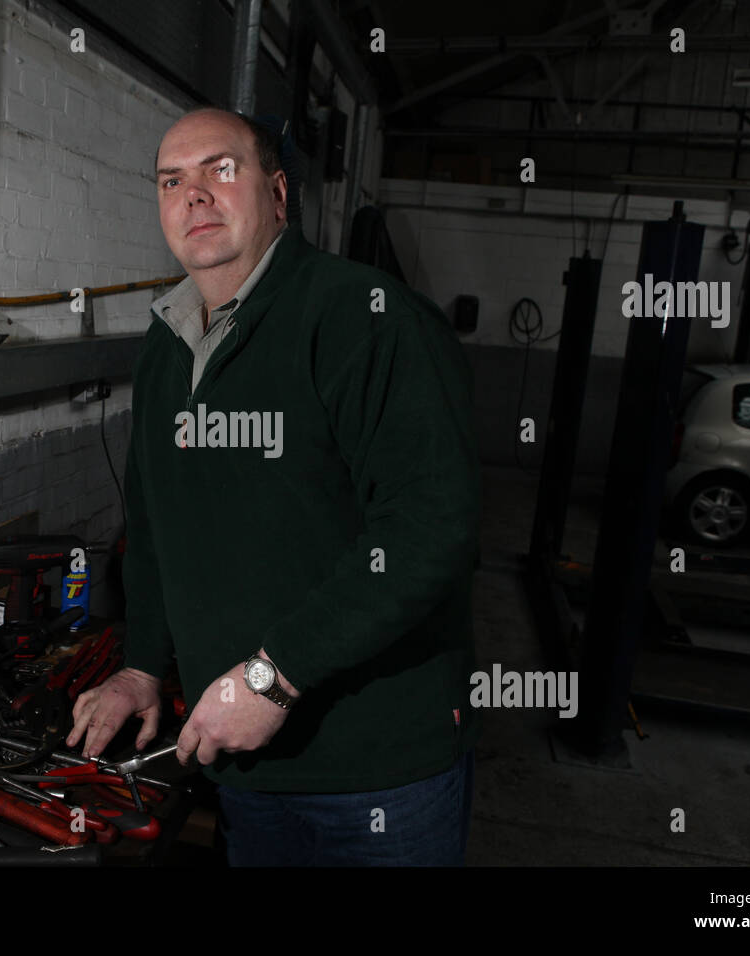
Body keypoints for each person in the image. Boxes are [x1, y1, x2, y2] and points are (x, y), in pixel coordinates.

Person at [68, 106, 482, 866]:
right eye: (171, 180)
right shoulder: (167, 346)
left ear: (280, 194)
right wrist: (140, 666)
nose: (194, 194)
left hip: (375, 772)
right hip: (242, 764)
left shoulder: (368, 321)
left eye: (221, 169)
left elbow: (430, 528)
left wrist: (273, 677)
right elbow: (158, 526)